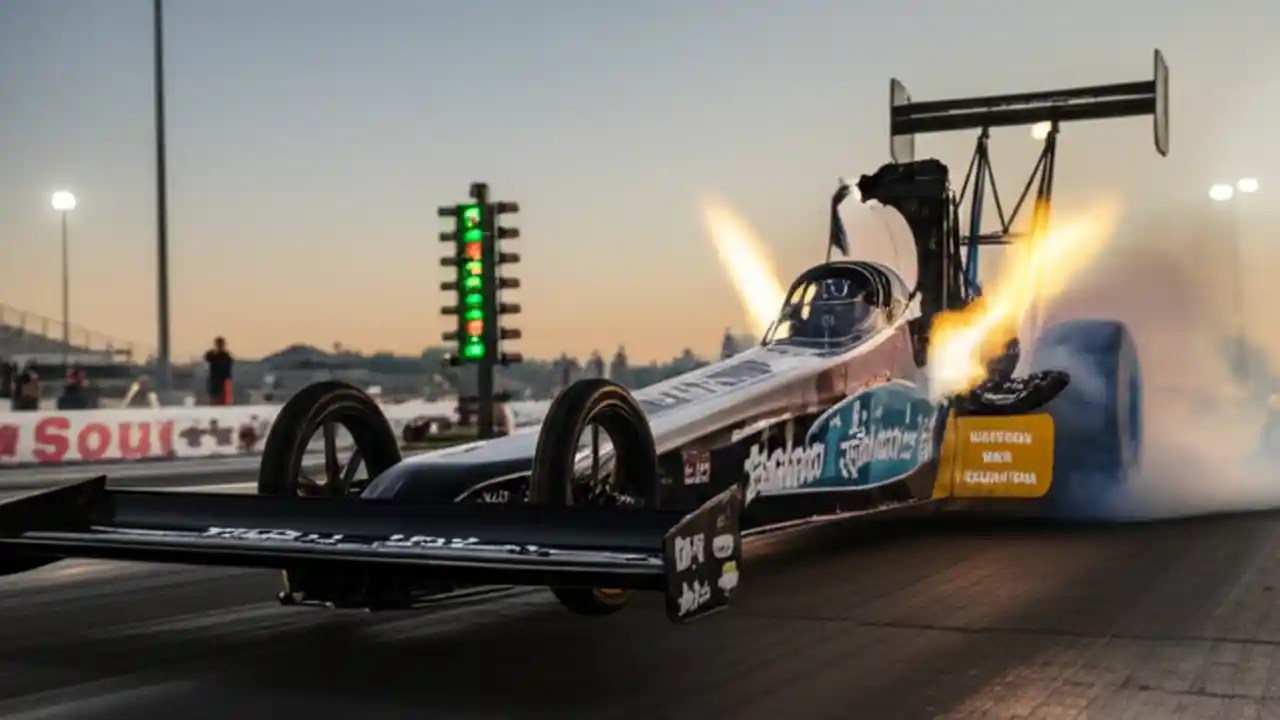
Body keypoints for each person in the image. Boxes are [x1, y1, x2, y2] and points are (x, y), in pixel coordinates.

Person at [204, 337, 234, 406]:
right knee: (215, 399)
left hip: (224, 381)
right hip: (216, 381)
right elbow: (207, 357)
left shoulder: (225, 356)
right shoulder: (214, 355)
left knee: (224, 400)